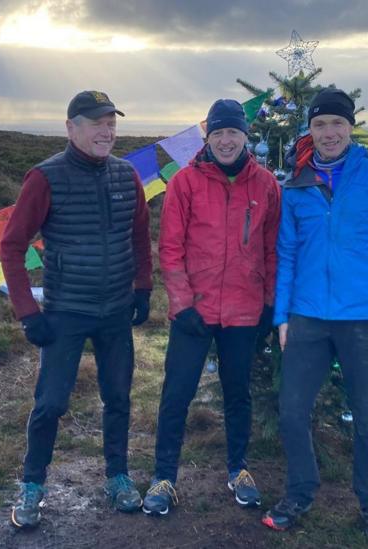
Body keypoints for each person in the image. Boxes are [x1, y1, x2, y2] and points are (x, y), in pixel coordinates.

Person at [261, 88, 368, 546]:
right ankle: (300, 491)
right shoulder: (296, 187)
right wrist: (282, 316)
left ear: (350, 127)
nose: (329, 132)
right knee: (292, 410)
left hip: (365, 320)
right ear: (310, 130)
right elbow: (287, 254)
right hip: (307, 317)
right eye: (320, 125)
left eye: (337, 123)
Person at [0, 90, 153, 528]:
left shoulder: (127, 175)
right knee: (49, 403)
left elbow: (140, 235)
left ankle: (118, 477)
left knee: (119, 397)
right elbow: (11, 246)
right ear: (72, 128)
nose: (106, 131)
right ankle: (32, 486)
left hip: (116, 309)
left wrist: (142, 287)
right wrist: (28, 312)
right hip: (66, 310)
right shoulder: (44, 178)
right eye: (96, 123)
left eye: (111, 123)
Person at [142, 99, 281, 516]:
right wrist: (182, 304)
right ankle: (164, 476)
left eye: (232, 133)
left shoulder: (266, 185)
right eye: (218, 133)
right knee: (176, 394)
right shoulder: (185, 182)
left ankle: (239, 469)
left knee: (238, 393)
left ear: (245, 136)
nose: (225, 140)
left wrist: (270, 304)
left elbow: (273, 248)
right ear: (207, 137)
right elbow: (170, 248)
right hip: (194, 313)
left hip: (244, 311)